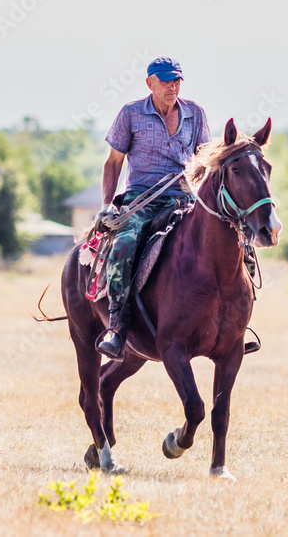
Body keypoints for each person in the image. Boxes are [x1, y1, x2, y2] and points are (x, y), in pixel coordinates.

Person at [94, 57, 211, 361]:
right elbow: (113, 162)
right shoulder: (131, 114)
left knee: (235, 237)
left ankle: (235, 324)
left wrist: (196, 178)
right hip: (141, 201)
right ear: (150, 83)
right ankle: (118, 327)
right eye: (166, 80)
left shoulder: (196, 114)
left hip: (184, 198)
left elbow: (206, 160)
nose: (173, 86)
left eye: (177, 80)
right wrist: (108, 205)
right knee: (123, 246)